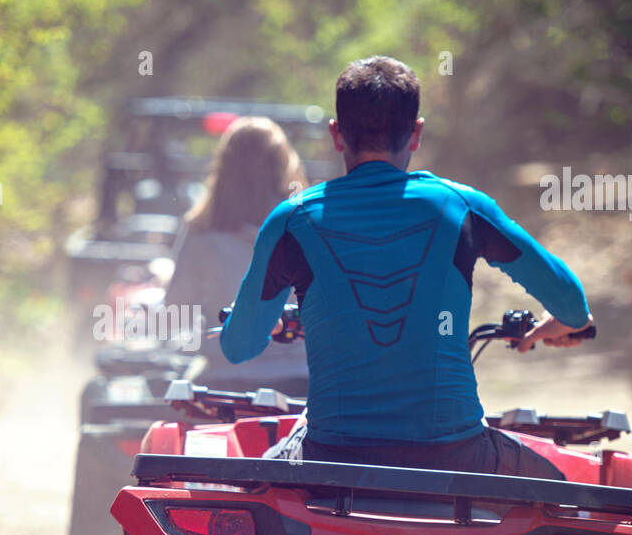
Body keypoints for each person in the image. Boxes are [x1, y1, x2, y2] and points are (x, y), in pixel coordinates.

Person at [220, 57, 592, 478]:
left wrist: (256, 321)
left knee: (252, 492)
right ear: (415, 133)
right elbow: (573, 305)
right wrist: (555, 323)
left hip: (331, 459)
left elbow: (238, 347)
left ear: (336, 135)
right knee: (562, 498)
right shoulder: (465, 207)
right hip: (458, 455)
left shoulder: (291, 220)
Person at [165, 116, 310, 395]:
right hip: (300, 383)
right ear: (283, 165)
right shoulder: (307, 224)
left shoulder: (201, 231)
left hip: (224, 382)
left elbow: (176, 311)